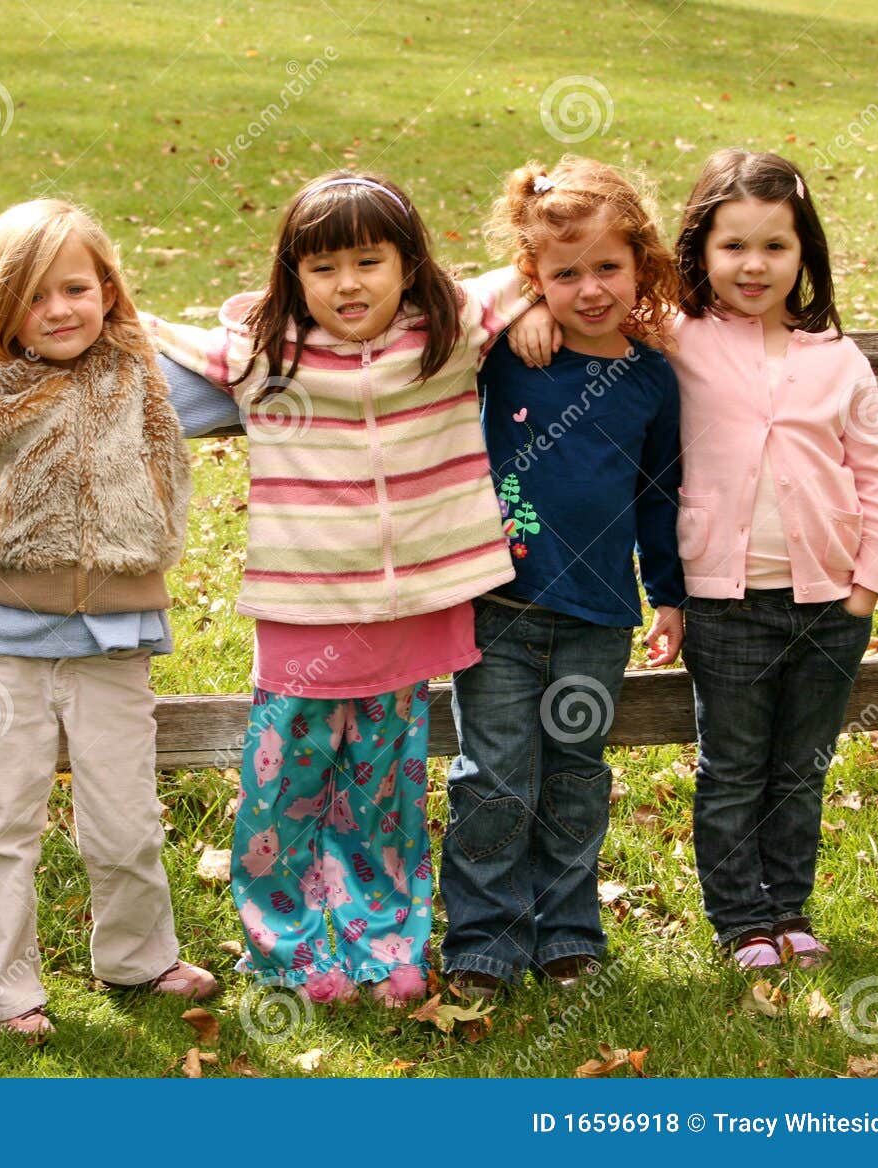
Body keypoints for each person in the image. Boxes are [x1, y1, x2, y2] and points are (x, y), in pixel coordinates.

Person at [510, 150, 878, 970]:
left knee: (800, 769)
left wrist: (865, 589)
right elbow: (580, 284)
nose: (753, 266)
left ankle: (789, 910)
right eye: (732, 247)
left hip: (831, 606)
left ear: (805, 256)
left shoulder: (837, 357)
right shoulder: (673, 337)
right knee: (731, 769)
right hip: (724, 601)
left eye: (774, 247)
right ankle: (739, 924)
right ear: (699, 252)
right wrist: (522, 309)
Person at [150, 171, 529, 1005]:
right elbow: (156, 334)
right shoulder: (266, 357)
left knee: (384, 786)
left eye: (369, 261)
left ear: (409, 265)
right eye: (323, 269)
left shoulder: (450, 333)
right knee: (285, 787)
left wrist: (536, 292)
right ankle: (286, 949)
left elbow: (535, 267)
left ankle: (383, 944)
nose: (348, 285)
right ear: (294, 279)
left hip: (408, 611)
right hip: (305, 611)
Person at [0, 199, 217, 1039]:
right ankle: (5, 991)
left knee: (124, 816)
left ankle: (137, 956)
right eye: (31, 296)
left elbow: (258, 365)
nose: (58, 311)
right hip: (11, 649)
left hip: (116, 647)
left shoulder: (150, 380)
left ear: (109, 290)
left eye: (76, 288)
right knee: (1, 820)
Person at [441, 157, 683, 1001]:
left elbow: (659, 498)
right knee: (494, 776)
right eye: (564, 273)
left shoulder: (653, 380)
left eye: (607, 267)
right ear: (533, 275)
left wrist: (672, 596)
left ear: (641, 267)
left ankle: (568, 929)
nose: (589, 289)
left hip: (599, 615)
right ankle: (483, 938)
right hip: (498, 607)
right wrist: (519, 307)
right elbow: (443, 305)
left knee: (576, 775)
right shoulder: (503, 356)